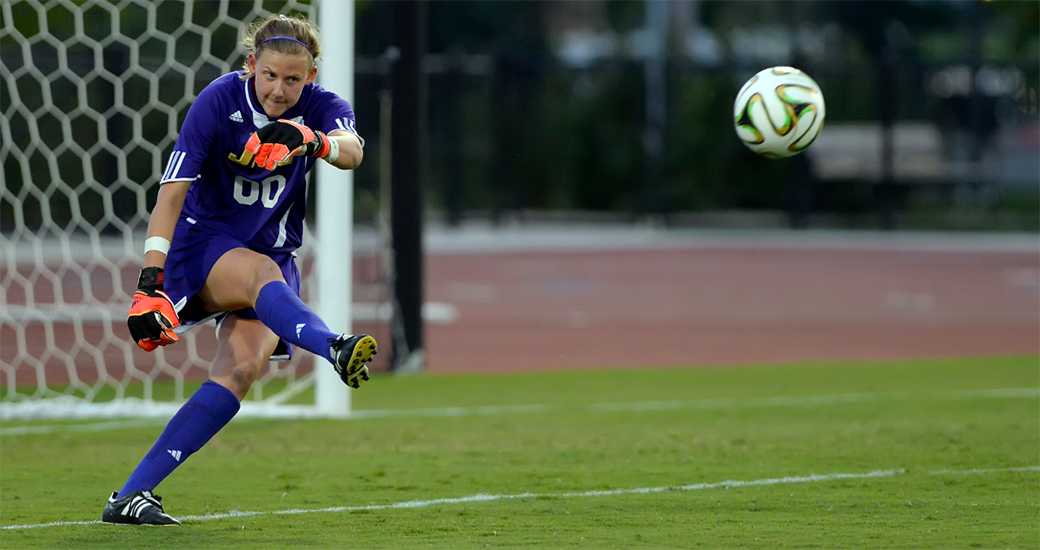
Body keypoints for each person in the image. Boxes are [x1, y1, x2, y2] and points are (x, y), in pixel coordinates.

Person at [102, 14, 376, 526]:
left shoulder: (322, 108)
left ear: (310, 77)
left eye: (293, 79)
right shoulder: (218, 101)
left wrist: (309, 140)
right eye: (269, 75)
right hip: (204, 243)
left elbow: (353, 151)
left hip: (271, 255)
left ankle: (129, 497)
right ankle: (335, 346)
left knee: (241, 371)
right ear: (251, 65)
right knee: (258, 276)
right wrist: (149, 282)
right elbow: (170, 196)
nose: (279, 89)